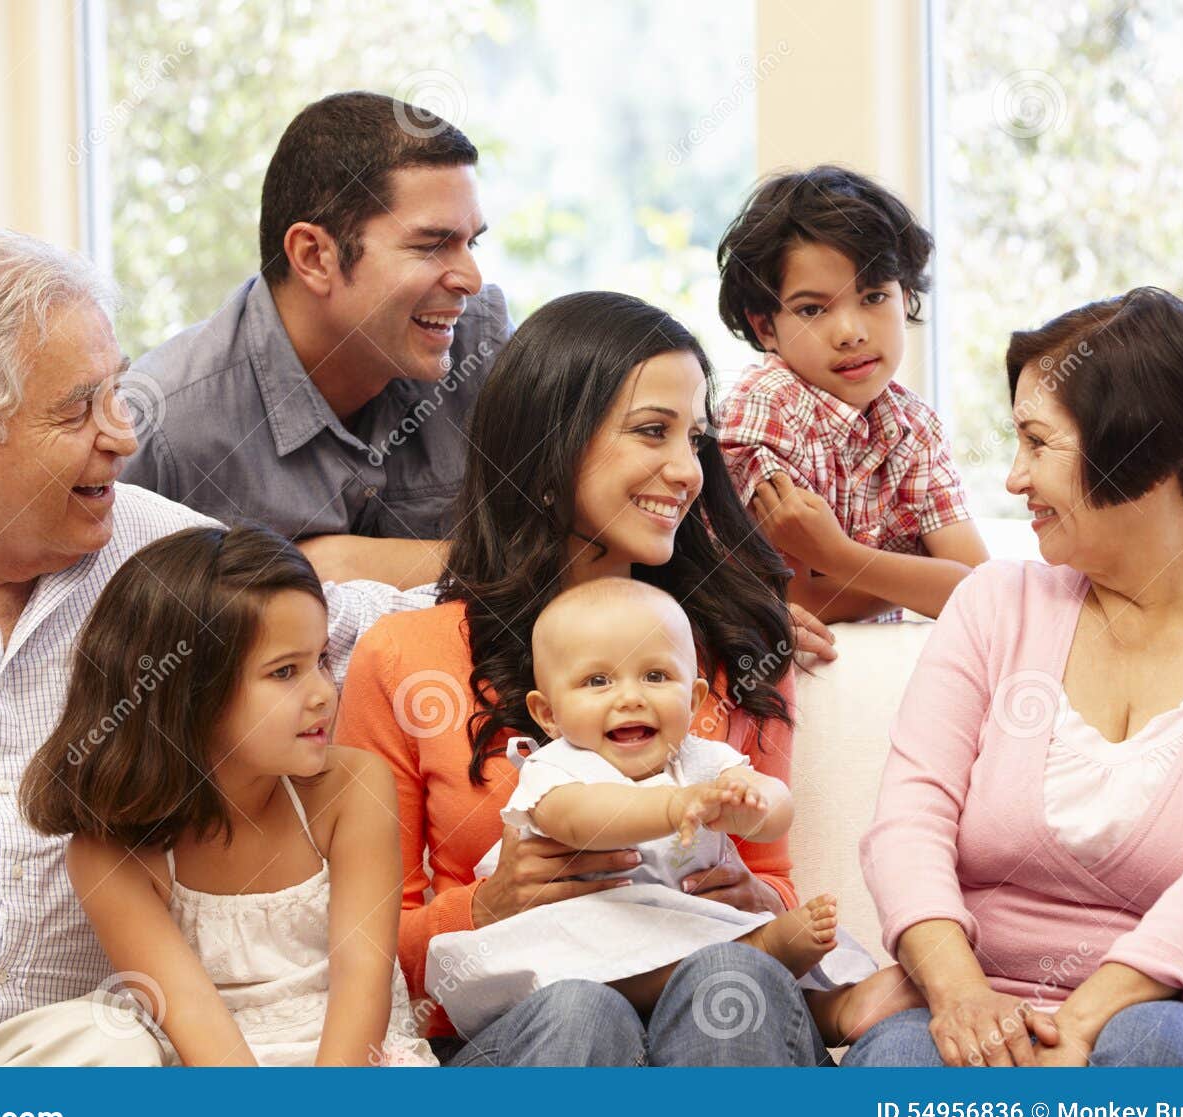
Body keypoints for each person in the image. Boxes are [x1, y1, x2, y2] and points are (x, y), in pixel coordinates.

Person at [0, 230, 430, 1067]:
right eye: (77, 409)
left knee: (112, 1049)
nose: (123, 436)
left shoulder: (154, 551)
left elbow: (370, 626)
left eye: (118, 394)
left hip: (70, 1051)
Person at [847, 288, 1183, 1067]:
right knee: (899, 1063)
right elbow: (908, 821)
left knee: (1144, 1047)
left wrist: (1081, 1024)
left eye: (1037, 443)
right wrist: (962, 995)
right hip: (994, 990)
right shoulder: (994, 606)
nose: (1015, 478)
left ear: (1146, 455)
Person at [337, 291, 852, 1067]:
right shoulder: (403, 657)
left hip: (720, 1019)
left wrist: (757, 904)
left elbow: (774, 875)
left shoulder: (735, 644)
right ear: (551, 444)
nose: (685, 469)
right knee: (583, 1008)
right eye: (652, 431)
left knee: (731, 976)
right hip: (530, 1032)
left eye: (695, 438)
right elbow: (360, 943)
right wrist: (483, 903)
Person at [426, 576, 915, 1043]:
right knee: (595, 981)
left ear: (695, 697)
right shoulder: (556, 768)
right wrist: (676, 805)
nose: (631, 697)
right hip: (581, 934)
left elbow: (774, 811)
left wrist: (752, 805)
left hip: (685, 924)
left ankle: (832, 1011)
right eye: (598, 681)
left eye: (656, 676)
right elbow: (581, 818)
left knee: (724, 966)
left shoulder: (702, 762)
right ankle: (765, 954)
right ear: (548, 714)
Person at [21, 525, 433, 1066]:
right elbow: (196, 1026)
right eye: (284, 672)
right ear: (190, 694)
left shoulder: (352, 789)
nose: (322, 694)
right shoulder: (107, 855)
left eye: (322, 661)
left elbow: (364, 981)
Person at [122, 91, 513, 590]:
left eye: (471, 243)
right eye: (431, 246)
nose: (470, 280)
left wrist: (345, 565)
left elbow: (584, 549)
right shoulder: (163, 428)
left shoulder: (479, 344)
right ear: (313, 256)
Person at [715, 166, 987, 621]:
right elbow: (793, 601)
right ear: (765, 327)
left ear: (906, 296)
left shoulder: (912, 425)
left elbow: (980, 592)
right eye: (812, 309)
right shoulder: (763, 408)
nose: (850, 332)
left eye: (874, 297)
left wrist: (839, 557)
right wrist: (921, 576)